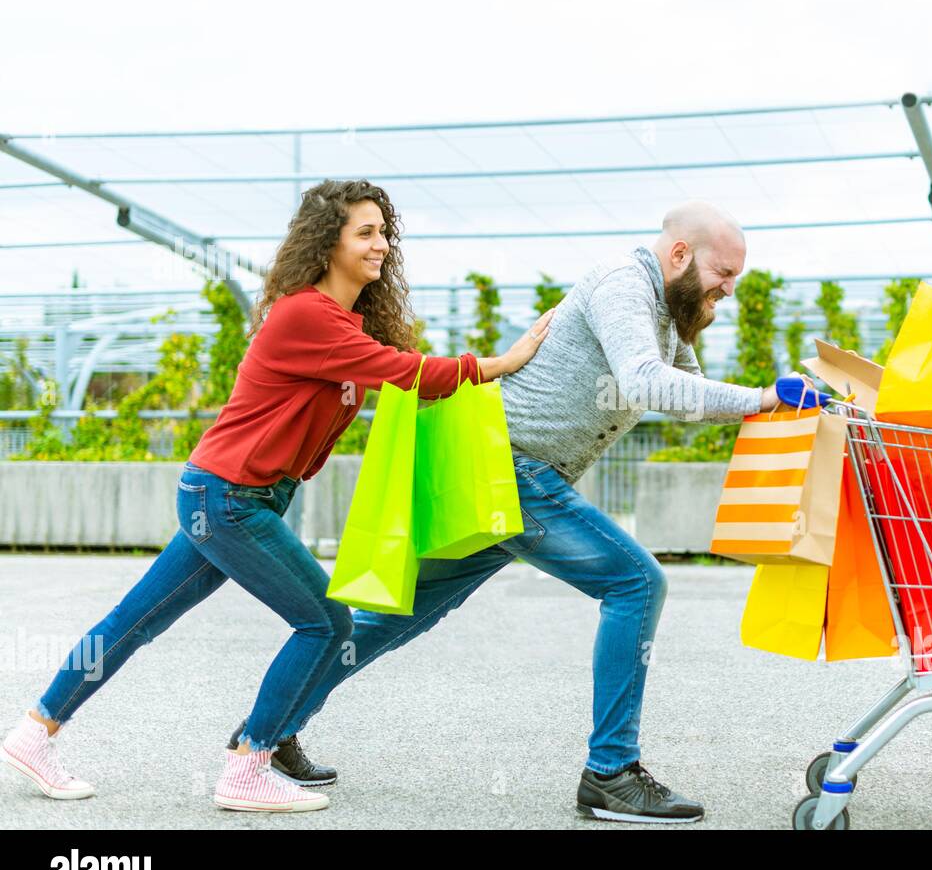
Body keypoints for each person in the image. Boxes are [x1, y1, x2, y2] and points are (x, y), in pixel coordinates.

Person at [2, 179, 552, 813]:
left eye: (384, 233)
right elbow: (411, 374)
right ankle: (249, 765)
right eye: (365, 233)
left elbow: (408, 384)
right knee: (325, 622)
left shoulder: (345, 322)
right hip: (230, 497)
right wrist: (501, 362)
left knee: (137, 621)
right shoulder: (305, 315)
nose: (381, 245)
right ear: (328, 243)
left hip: (234, 494)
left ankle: (33, 733)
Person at [269, 200, 810, 823]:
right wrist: (764, 398)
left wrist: (770, 402)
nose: (729, 290)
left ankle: (267, 729)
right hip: (514, 469)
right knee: (635, 581)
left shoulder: (665, 311)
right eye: (725, 274)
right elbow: (643, 383)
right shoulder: (623, 287)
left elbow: (682, 393)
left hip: (502, 473)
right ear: (681, 255)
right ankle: (611, 772)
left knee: (397, 616)